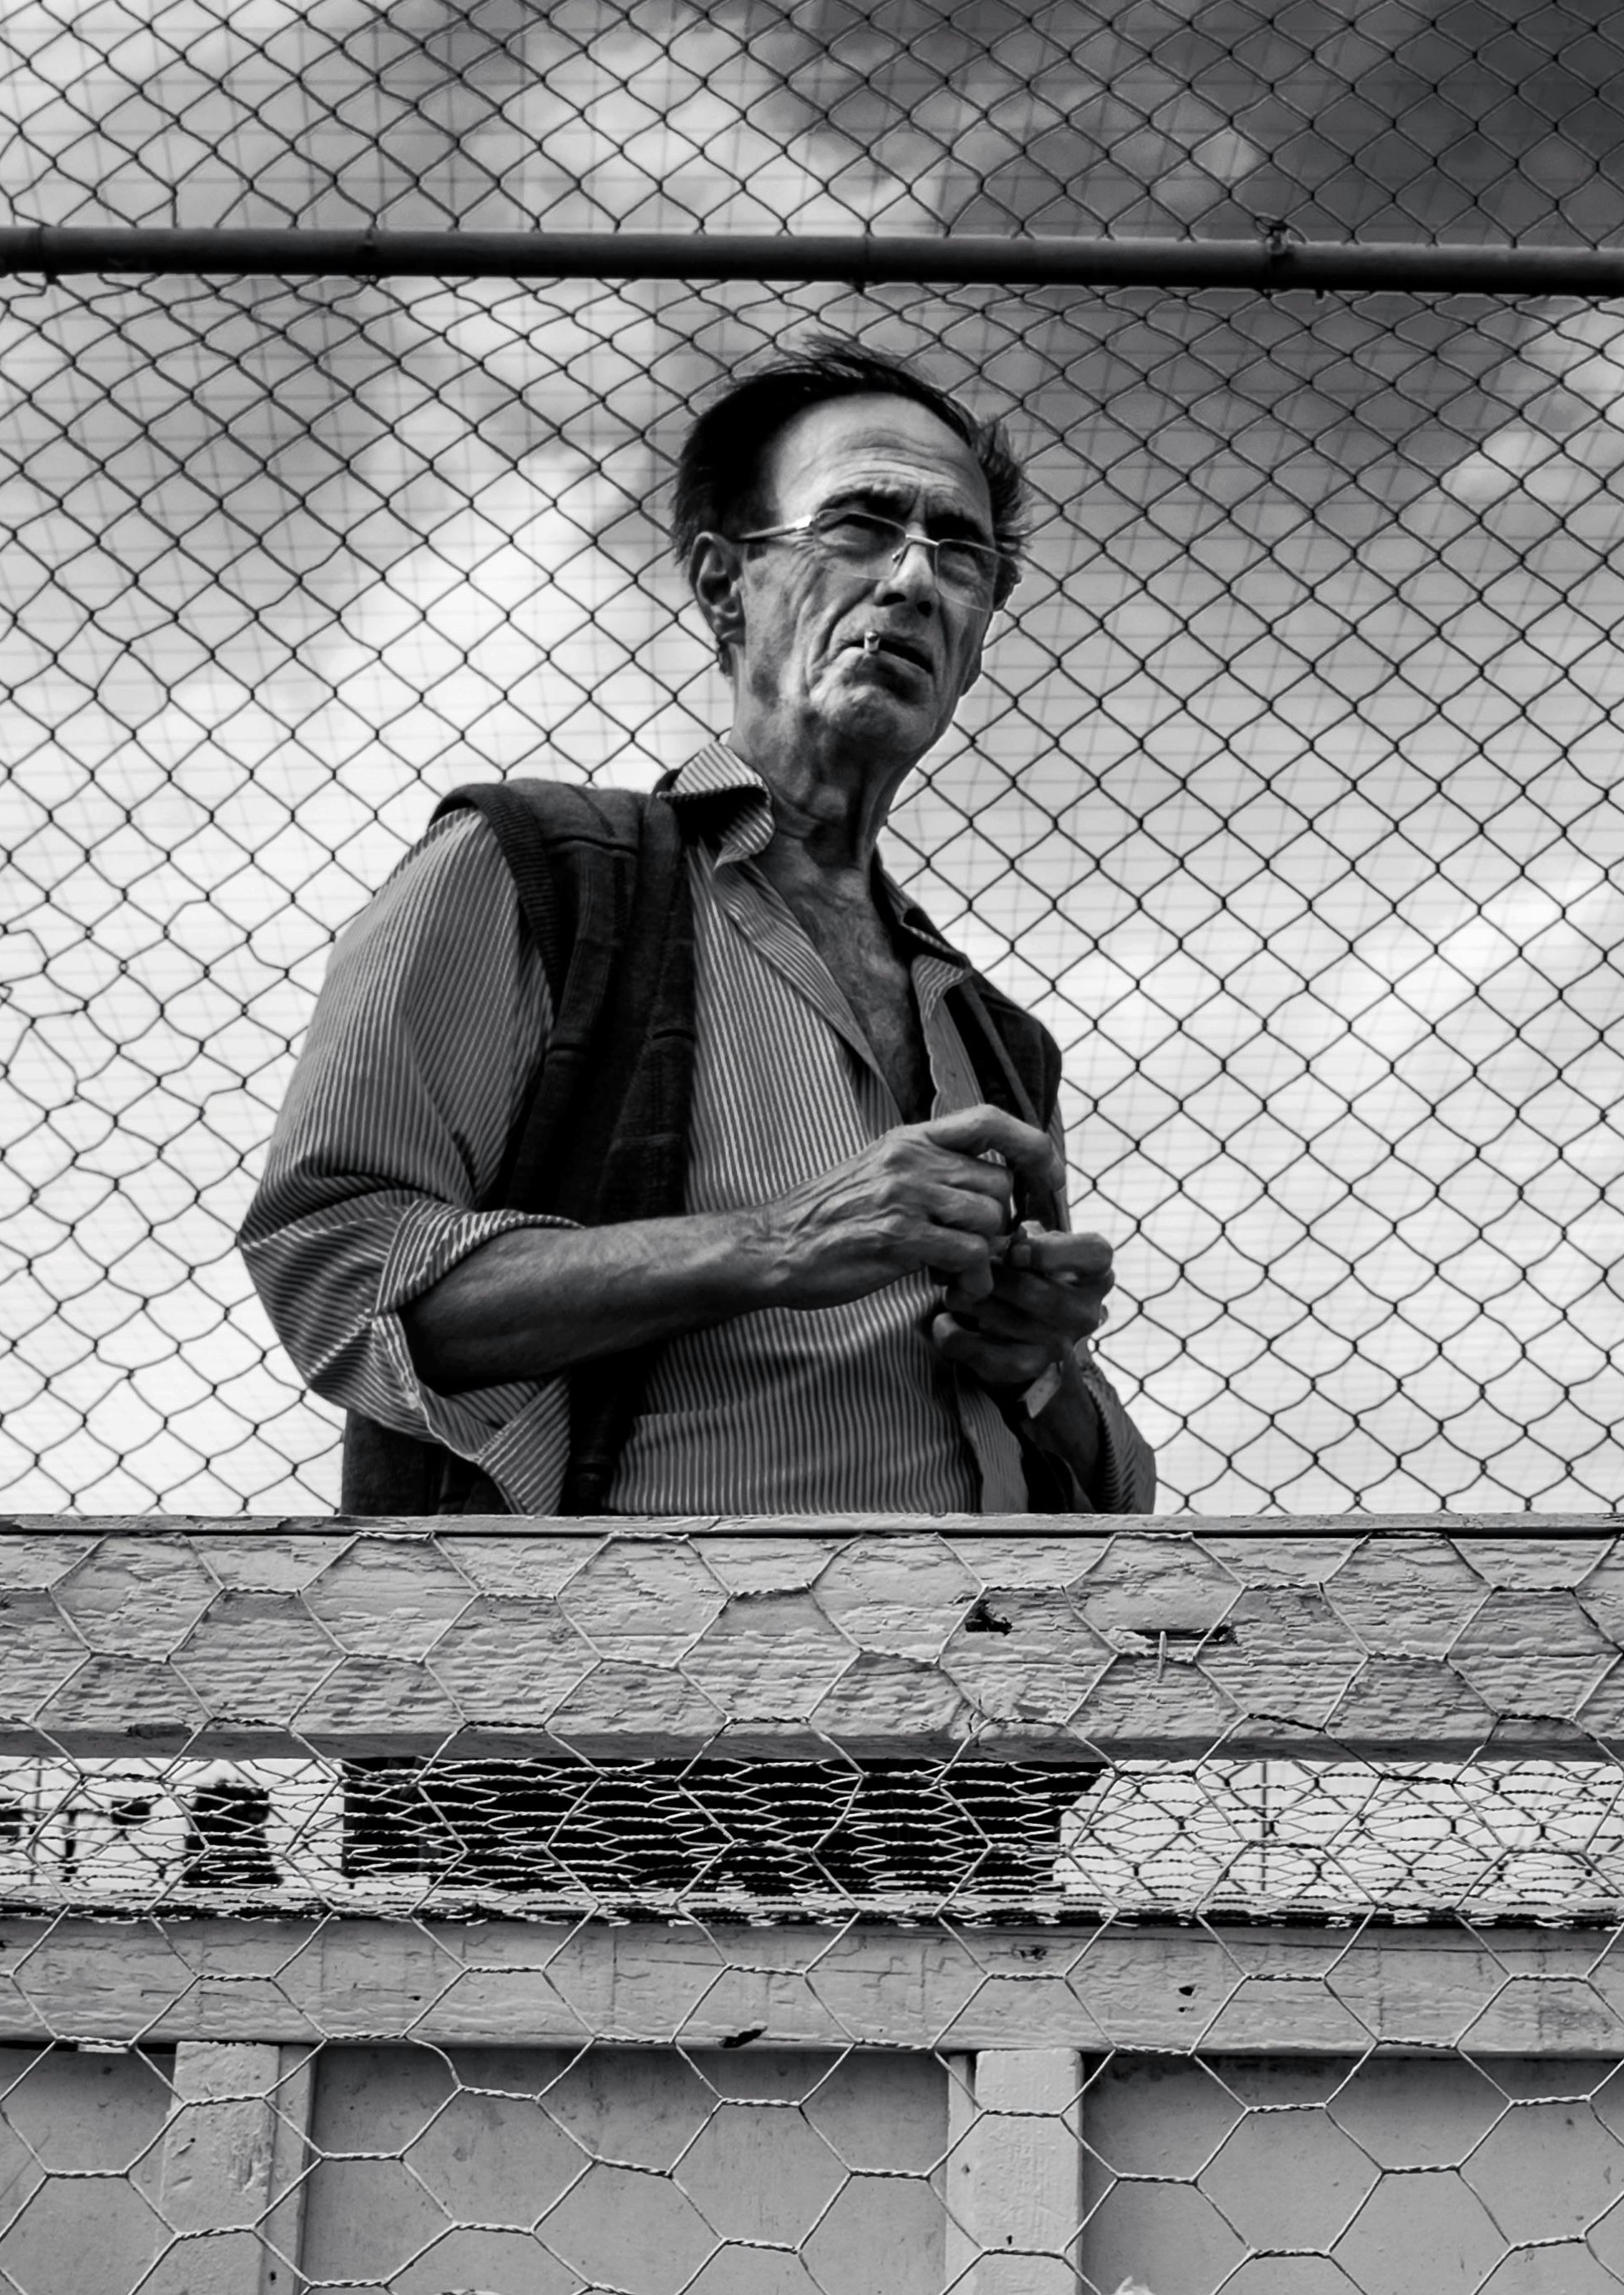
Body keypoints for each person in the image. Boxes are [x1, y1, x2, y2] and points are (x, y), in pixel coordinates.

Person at [243, 336, 1150, 1522]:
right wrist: (782, 1243)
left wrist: (1034, 1367)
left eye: (963, 552)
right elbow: (334, 1268)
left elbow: (1111, 1491)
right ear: (727, 584)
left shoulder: (997, 1038)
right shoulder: (540, 874)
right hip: (624, 1668)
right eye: (860, 526)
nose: (918, 580)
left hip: (982, 1666)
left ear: (978, 639)